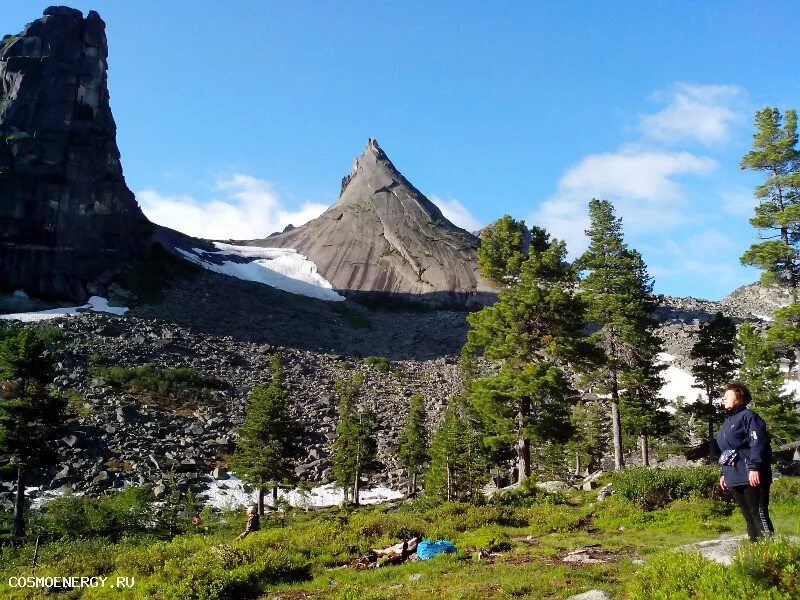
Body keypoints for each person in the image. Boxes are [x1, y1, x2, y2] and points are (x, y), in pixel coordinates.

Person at [717, 382, 774, 541]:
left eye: (728, 395)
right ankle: (756, 549)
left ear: (739, 397)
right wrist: (723, 473)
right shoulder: (727, 422)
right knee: (748, 515)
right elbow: (726, 450)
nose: (724, 398)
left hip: (751, 473)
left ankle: (771, 551)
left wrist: (755, 467)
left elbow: (758, 442)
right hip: (733, 475)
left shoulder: (749, 416)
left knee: (759, 512)